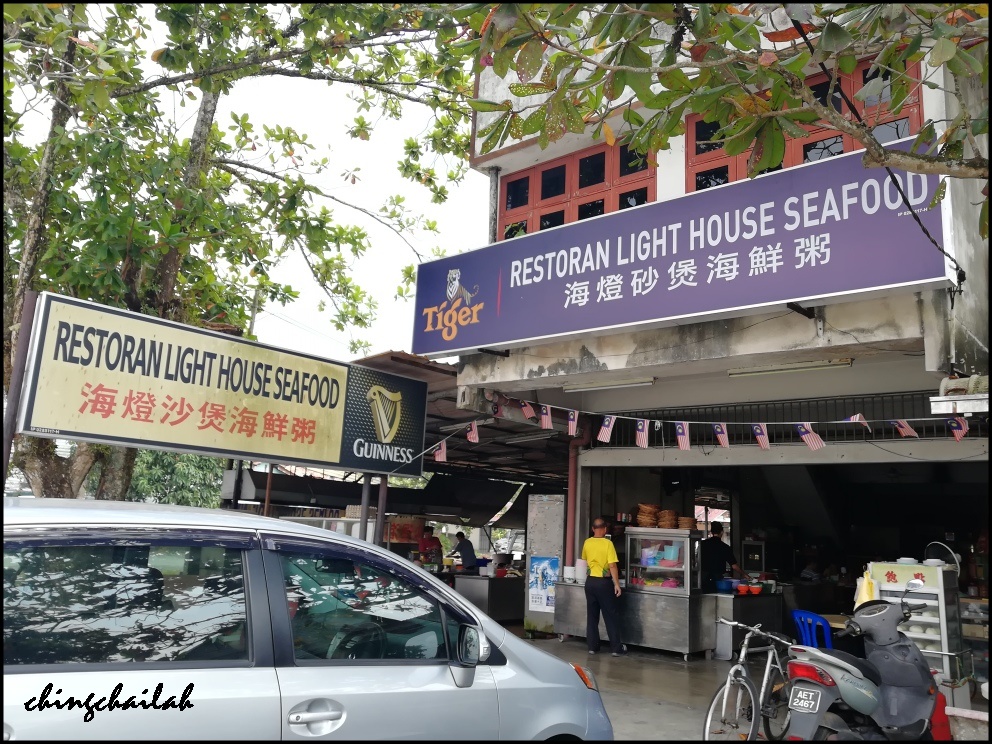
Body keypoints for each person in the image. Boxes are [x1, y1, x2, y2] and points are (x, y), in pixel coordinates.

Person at [581, 517, 627, 657]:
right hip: (604, 583)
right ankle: (615, 648)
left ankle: (592, 647)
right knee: (610, 615)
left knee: (592, 615)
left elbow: (585, 561)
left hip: (590, 582)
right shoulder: (608, 544)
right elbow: (612, 565)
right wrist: (617, 584)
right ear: (605, 529)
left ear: (593, 529)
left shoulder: (587, 542)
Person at [699, 521, 748, 592]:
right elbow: (734, 566)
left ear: (711, 532)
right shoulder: (725, 547)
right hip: (717, 579)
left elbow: (695, 559)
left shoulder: (702, 544)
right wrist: (744, 574)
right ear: (722, 532)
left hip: (702, 579)